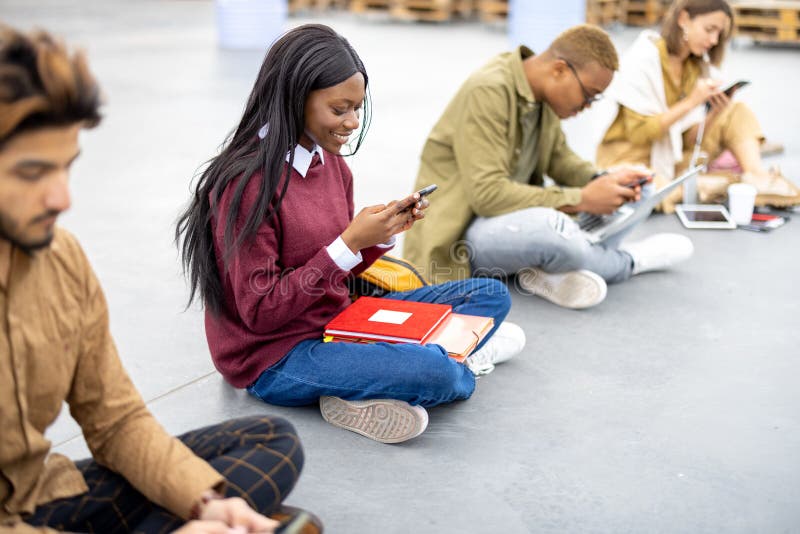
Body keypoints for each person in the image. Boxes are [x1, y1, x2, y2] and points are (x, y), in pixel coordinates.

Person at [0, 26, 315, 533]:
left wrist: (204, 505)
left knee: (272, 444)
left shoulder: (61, 260)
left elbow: (115, 419)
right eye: (34, 173)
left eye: (67, 168)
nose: (63, 199)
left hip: (39, 494)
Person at [175, 24, 526, 445]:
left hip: (338, 322)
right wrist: (347, 244)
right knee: (438, 373)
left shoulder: (332, 166)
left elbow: (334, 273)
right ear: (294, 100)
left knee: (488, 296)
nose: (353, 122)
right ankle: (442, 359)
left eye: (357, 108)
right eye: (339, 109)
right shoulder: (247, 184)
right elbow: (261, 310)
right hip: (277, 355)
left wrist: (379, 236)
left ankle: (384, 374)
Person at [403, 25, 694, 311]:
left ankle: (550, 268)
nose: (588, 105)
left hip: (511, 223)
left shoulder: (541, 94)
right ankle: (628, 261)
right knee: (554, 231)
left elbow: (559, 157)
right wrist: (582, 199)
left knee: (640, 193)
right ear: (559, 70)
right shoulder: (489, 90)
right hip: (465, 236)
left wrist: (604, 180)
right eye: (589, 94)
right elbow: (488, 196)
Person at [596, 0, 800, 212]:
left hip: (672, 158)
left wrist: (715, 113)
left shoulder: (695, 65)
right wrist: (692, 101)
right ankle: (706, 186)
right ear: (684, 19)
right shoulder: (643, 59)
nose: (713, 40)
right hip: (631, 160)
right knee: (642, 190)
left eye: (719, 34)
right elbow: (641, 134)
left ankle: (756, 178)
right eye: (709, 29)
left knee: (736, 111)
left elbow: (686, 139)